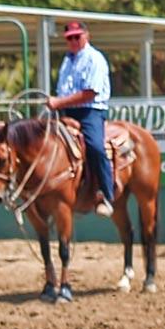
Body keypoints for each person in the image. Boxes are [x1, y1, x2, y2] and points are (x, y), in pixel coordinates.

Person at [48, 19, 114, 217]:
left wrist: (59, 103)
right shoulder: (67, 60)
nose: (74, 41)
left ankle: (106, 194)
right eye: (70, 38)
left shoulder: (95, 58)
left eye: (77, 37)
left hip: (90, 111)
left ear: (87, 36)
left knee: (95, 146)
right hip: (67, 111)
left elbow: (90, 93)